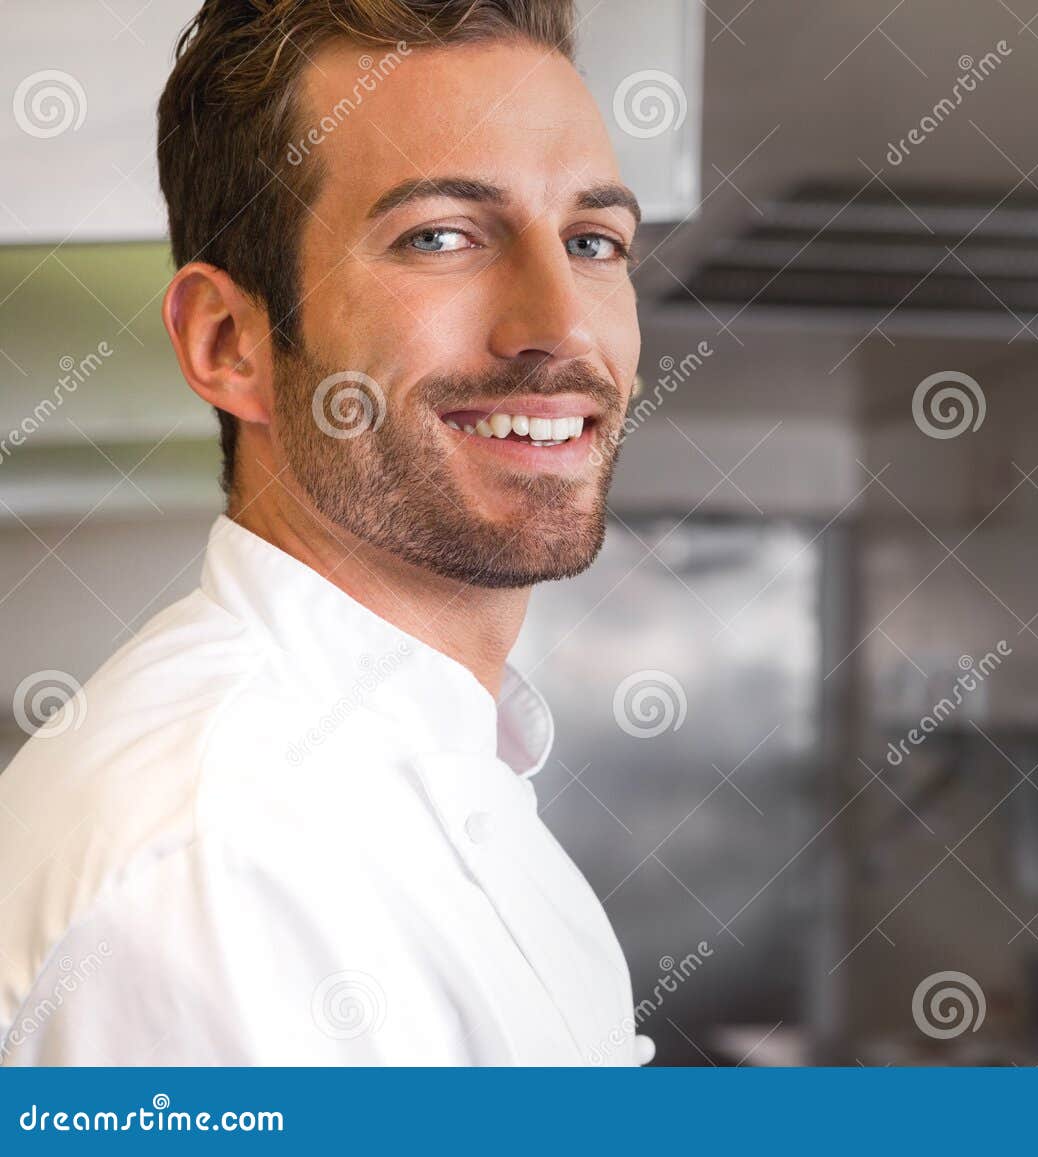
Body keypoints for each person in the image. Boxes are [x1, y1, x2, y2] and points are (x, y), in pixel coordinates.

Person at [0, 0, 651, 1065]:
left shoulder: (439, 766)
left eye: (593, 240)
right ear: (230, 342)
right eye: (439, 235)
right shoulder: (227, 860)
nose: (559, 324)